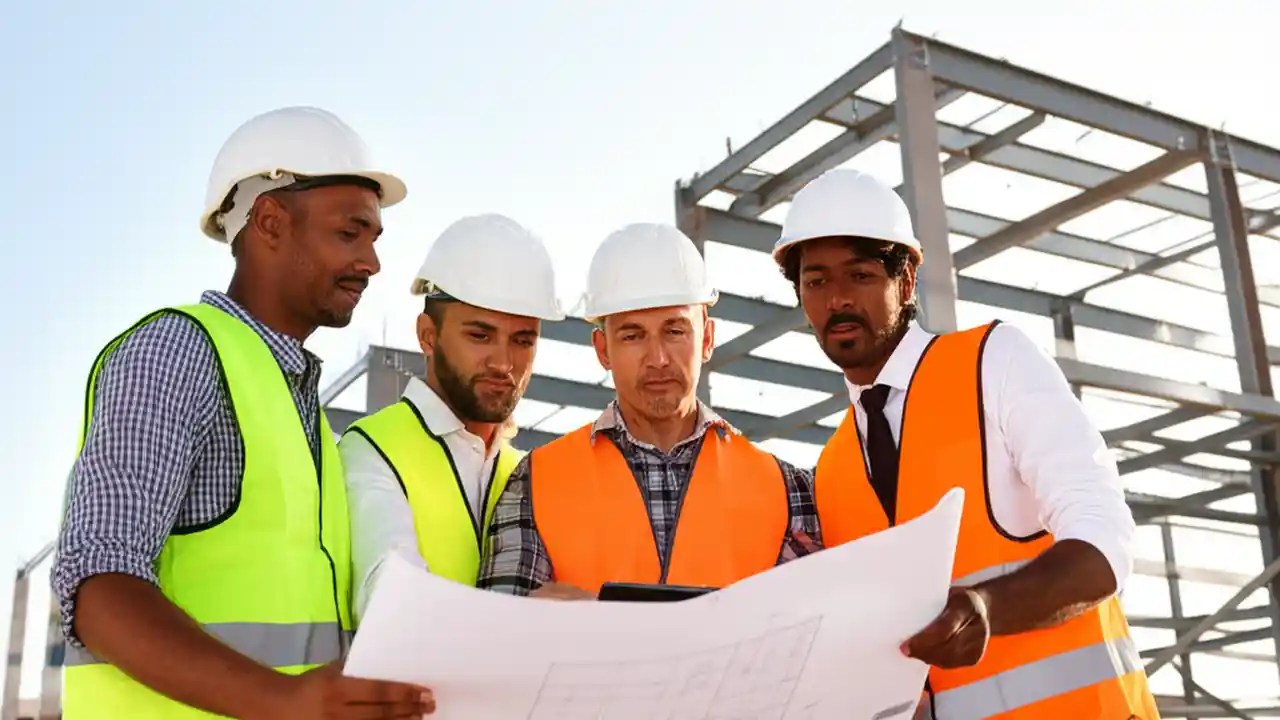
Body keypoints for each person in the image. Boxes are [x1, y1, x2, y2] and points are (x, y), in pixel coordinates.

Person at [52, 107, 435, 719]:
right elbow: (98, 583)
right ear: (270, 221)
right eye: (349, 233)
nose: (371, 262)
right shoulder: (174, 352)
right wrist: (285, 700)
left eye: (373, 238)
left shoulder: (299, 403)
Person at [772, 168, 1157, 718]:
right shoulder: (832, 470)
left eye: (858, 275)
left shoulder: (994, 363)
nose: (836, 300)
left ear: (904, 283)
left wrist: (986, 608)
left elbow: (1105, 542)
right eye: (816, 281)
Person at [477, 223, 821, 599]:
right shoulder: (535, 482)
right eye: (632, 335)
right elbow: (502, 640)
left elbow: (813, 632)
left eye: (675, 331)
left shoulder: (787, 490)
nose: (657, 359)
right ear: (602, 349)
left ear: (706, 338)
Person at [341, 214, 563, 620]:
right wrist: (530, 623)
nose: (503, 363)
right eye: (480, 336)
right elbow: (392, 613)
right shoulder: (372, 450)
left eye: (522, 340)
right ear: (428, 335)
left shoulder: (530, 472)